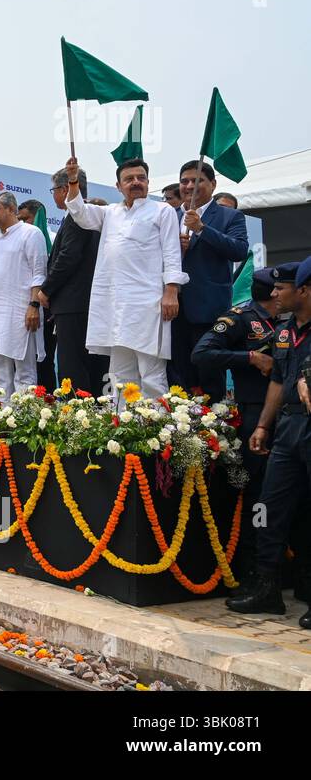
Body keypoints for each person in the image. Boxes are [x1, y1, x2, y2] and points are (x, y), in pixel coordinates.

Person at [227, 256, 311, 624]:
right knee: (267, 507)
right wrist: (263, 426)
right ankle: (266, 588)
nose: (273, 293)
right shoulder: (284, 330)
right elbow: (278, 379)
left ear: (304, 290)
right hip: (287, 428)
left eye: (281, 287)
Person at [62, 156, 187, 399]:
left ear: (149, 183)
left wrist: (171, 291)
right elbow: (79, 212)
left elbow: (172, 253)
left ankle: (156, 430)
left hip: (148, 304)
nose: (136, 182)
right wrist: (74, 181)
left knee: (151, 374)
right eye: (129, 179)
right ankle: (122, 429)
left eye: (141, 178)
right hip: (115, 306)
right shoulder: (110, 213)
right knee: (120, 375)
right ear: (118, 186)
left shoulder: (163, 211)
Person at [192, 267, 289, 581]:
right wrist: (249, 358)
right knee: (258, 496)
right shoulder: (240, 317)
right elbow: (202, 353)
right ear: (273, 292)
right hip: (255, 416)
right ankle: (253, 572)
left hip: (289, 416)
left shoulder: (292, 320)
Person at [172, 160, 250, 402]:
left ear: (213, 184)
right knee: (177, 375)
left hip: (208, 309)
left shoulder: (230, 216)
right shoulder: (168, 215)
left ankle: (216, 432)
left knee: (209, 375)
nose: (189, 186)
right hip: (172, 308)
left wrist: (202, 229)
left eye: (197, 181)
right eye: (184, 181)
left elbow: (239, 250)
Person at [37, 166, 109, 395]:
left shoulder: (81, 216)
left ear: (65, 188)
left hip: (74, 303)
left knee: (73, 365)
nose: (54, 195)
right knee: (89, 364)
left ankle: (76, 417)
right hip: (84, 302)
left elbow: (69, 256)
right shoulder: (90, 215)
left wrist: (46, 290)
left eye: (54, 190)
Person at [0, 192, 48, 396]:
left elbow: (39, 274)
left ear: (11, 209)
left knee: (24, 371)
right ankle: (1, 416)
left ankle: (24, 419)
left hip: (21, 311)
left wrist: (34, 306)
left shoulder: (30, 233)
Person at [18, 198, 58, 391]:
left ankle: (47, 401)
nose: (22, 224)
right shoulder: (18, 239)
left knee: (46, 358)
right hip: (23, 308)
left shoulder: (53, 237)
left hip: (48, 309)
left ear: (38, 216)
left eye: (25, 219)